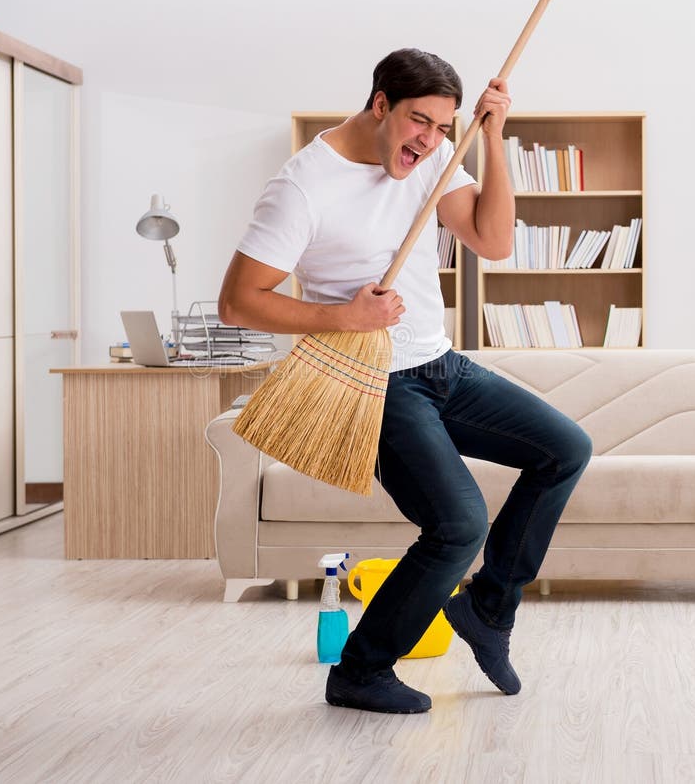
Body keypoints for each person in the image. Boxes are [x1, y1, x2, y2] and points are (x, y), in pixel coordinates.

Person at [218, 48, 592, 714]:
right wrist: (343, 316)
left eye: (444, 127)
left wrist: (494, 139)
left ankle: (487, 609)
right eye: (418, 121)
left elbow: (493, 240)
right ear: (380, 103)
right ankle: (360, 671)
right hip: (377, 384)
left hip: (441, 367)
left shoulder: (431, 162)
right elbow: (239, 301)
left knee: (564, 449)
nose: (428, 139)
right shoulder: (304, 185)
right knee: (457, 525)